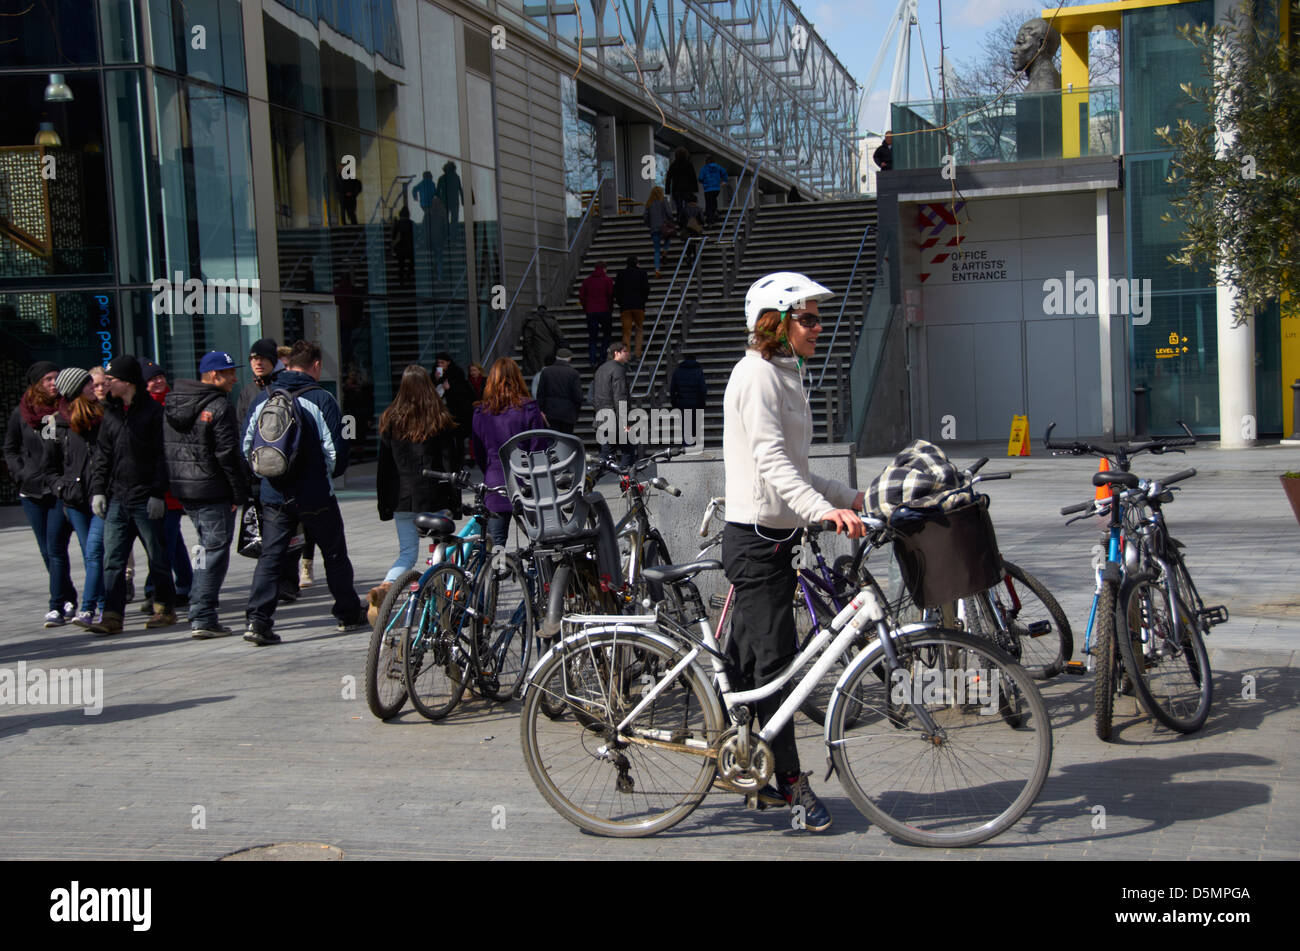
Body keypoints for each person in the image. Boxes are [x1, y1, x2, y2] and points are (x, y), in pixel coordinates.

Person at [721, 271, 867, 831]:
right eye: (806, 318)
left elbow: (798, 469)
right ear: (775, 323)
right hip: (757, 542)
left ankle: (742, 760)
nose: (817, 326)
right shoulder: (756, 375)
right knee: (776, 673)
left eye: (816, 317)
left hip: (775, 540)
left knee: (749, 667)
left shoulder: (785, 374)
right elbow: (772, 465)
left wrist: (850, 496)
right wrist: (821, 512)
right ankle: (791, 785)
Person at [241, 340, 367, 645]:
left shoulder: (263, 397)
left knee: (271, 556)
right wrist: (325, 475)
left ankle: (258, 622)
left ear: (287, 365)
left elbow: (247, 447)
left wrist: (268, 476)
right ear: (316, 366)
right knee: (334, 553)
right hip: (315, 494)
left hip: (274, 494)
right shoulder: (321, 399)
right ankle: (347, 613)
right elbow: (335, 452)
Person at [87, 355, 177, 635]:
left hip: (145, 495)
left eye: (110, 380)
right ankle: (113, 615)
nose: (105, 386)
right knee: (113, 558)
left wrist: (158, 493)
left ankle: (164, 607)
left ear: (126, 382)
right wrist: (98, 490)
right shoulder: (111, 413)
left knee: (157, 555)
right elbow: (102, 455)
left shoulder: (152, 412)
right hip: (118, 497)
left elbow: (163, 455)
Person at [164, 351, 250, 639]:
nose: (234, 378)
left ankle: (199, 606)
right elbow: (227, 453)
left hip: (185, 489)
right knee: (214, 550)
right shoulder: (218, 406)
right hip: (212, 489)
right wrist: (240, 492)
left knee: (204, 547)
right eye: (229, 373)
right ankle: (202, 614)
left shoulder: (174, 402)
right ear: (214, 375)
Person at [374, 366, 461, 606]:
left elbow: (384, 468)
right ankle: (442, 594)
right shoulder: (438, 419)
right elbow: (448, 464)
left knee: (408, 553)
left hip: (402, 499)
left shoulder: (390, 419)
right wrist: (455, 501)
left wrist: (384, 505)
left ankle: (386, 586)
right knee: (443, 547)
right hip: (434, 498)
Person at [5, 360, 76, 626]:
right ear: (37, 384)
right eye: (48, 379)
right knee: (47, 551)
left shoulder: (68, 408)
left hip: (58, 489)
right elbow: (10, 449)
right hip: (32, 491)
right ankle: (68, 597)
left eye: (56, 377)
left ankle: (57, 606)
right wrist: (21, 473)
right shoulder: (20, 414)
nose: (53, 383)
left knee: (57, 548)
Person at [42, 367, 106, 628]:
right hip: (74, 499)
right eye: (88, 385)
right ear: (75, 390)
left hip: (102, 497)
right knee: (90, 553)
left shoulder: (104, 416)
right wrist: (61, 488)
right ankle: (101, 604)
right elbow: (48, 467)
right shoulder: (54, 422)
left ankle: (91, 608)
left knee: (94, 551)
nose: (94, 388)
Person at [470, 358, 546, 547]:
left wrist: (489, 470)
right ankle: (537, 574)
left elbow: (479, 451)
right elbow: (538, 448)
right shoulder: (528, 407)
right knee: (539, 542)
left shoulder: (481, 412)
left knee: (497, 543)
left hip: (495, 480)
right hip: (526, 480)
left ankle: (498, 572)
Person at [142, 360, 193, 614]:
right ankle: (184, 583)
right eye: (151, 378)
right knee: (172, 541)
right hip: (154, 484)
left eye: (160, 376)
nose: (158, 381)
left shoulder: (174, 402)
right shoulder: (143, 407)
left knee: (165, 541)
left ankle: (156, 589)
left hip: (173, 483)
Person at [592, 342, 634, 468]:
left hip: (602, 416)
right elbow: (620, 396)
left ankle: (593, 477)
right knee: (628, 451)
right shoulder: (618, 369)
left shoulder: (601, 369)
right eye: (625, 351)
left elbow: (595, 394)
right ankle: (627, 480)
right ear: (617, 353)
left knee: (606, 452)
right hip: (615, 417)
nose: (628, 354)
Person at [434, 352, 474, 468]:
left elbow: (462, 392)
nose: (440, 365)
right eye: (438, 363)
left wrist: (450, 389)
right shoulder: (436, 374)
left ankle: (458, 463)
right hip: (442, 412)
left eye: (442, 362)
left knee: (459, 440)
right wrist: (437, 379)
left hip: (457, 413)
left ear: (448, 363)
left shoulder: (456, 374)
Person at [534, 348, 582, 436]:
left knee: (552, 439)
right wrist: (576, 412)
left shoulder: (546, 372)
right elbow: (578, 396)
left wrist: (541, 410)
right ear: (569, 358)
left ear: (556, 358)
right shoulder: (574, 373)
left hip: (550, 412)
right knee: (567, 439)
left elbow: (540, 393)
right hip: (568, 413)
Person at [579, 261, 615, 368]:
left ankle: (592, 360)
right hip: (604, 310)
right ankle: (602, 357)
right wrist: (610, 308)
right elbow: (610, 296)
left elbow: (582, 296)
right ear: (604, 268)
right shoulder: (607, 280)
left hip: (591, 311)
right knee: (607, 334)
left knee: (592, 337)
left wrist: (586, 307)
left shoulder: (587, 281)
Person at [614, 255, 651, 359]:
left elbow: (616, 291)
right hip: (639, 306)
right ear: (636, 263)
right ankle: (638, 353)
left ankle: (627, 355)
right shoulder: (642, 273)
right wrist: (643, 301)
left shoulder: (621, 274)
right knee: (639, 329)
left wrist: (620, 303)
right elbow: (646, 289)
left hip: (625, 307)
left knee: (626, 331)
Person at [519, 304, 567, 378]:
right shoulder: (552, 321)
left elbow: (527, 340)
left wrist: (529, 351)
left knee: (540, 373)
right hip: (552, 351)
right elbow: (559, 335)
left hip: (538, 351)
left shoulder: (532, 323)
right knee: (551, 372)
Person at [642, 185, 674, 277]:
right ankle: (665, 250)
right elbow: (669, 213)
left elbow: (645, 216)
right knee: (668, 238)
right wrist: (670, 220)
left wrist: (650, 224)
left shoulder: (649, 202)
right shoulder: (663, 200)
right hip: (664, 227)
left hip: (654, 228)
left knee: (656, 250)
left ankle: (657, 270)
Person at [665, 146, 697, 229]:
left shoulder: (673, 165)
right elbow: (693, 177)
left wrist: (667, 190)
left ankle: (680, 220)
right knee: (687, 205)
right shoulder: (689, 164)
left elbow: (669, 178)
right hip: (687, 189)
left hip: (676, 189)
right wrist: (695, 189)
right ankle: (687, 220)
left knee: (678, 206)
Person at [698, 154, 729, 225]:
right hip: (716, 188)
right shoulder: (718, 167)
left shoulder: (704, 168)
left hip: (708, 189)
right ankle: (715, 213)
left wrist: (703, 182)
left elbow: (700, 178)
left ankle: (710, 219)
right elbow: (724, 173)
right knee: (714, 200)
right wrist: (724, 181)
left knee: (709, 203)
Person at [392, 205, 415, 284]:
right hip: (410, 247)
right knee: (412, 262)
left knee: (401, 265)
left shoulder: (398, 223)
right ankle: (409, 274)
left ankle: (401, 280)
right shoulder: (411, 223)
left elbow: (393, 236)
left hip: (400, 248)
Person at [438, 161, 463, 227]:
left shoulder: (442, 178)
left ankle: (447, 233)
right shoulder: (456, 177)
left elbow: (437, 191)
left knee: (445, 219)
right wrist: (463, 200)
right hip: (454, 201)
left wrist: (440, 200)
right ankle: (453, 234)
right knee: (454, 220)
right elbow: (460, 189)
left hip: (445, 201)